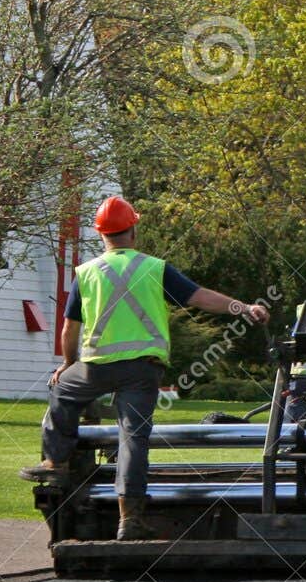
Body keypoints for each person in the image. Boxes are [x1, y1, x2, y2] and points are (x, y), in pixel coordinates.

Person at [19, 196, 270, 540]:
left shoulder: (87, 273)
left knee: (62, 388)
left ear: (101, 235)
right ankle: (129, 519)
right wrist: (242, 307)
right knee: (133, 438)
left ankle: (57, 462)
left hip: (96, 369)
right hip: (142, 370)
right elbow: (199, 297)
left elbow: (69, 330)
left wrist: (67, 365)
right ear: (133, 231)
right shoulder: (154, 268)